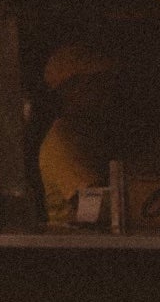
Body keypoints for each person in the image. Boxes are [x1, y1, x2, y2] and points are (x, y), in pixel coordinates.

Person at [37, 44, 116, 228]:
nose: (108, 89)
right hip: (77, 249)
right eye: (97, 81)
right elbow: (91, 210)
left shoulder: (90, 134)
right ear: (71, 89)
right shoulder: (62, 142)